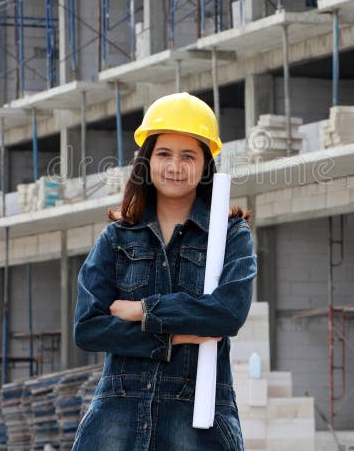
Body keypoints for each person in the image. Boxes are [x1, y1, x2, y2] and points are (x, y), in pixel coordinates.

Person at [72, 92, 257, 451]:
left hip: (196, 424)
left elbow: (227, 313)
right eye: (164, 154)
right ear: (146, 162)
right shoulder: (117, 238)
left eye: (188, 155)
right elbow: (88, 327)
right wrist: (173, 337)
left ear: (205, 164)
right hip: (116, 423)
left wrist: (143, 310)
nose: (175, 166)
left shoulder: (231, 236)